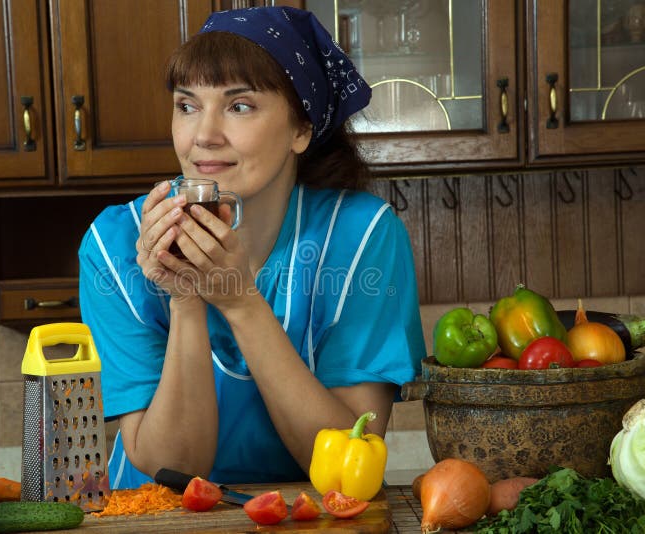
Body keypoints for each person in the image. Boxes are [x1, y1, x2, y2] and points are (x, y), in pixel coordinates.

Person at [78, 6, 426, 489]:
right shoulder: (113, 245)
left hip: (305, 520)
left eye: (239, 106)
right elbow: (173, 469)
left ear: (301, 130)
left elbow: (346, 472)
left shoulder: (362, 238)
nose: (203, 135)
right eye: (187, 105)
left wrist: (241, 302)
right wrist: (186, 297)